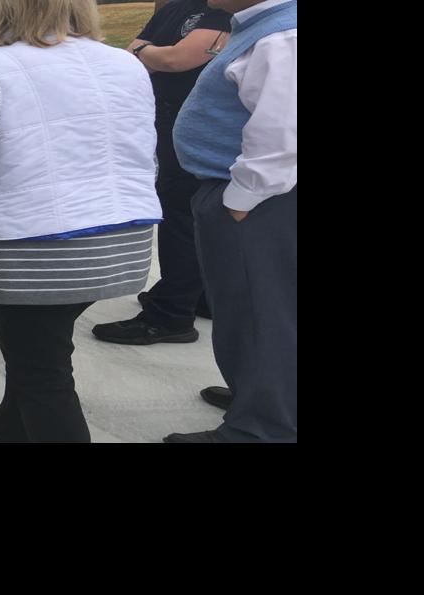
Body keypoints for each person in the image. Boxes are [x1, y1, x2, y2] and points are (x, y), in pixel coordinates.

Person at [0, 0, 158, 443]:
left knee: (42, 374)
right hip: (125, 237)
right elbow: (142, 147)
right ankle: (6, 429)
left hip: (39, 250)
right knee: (39, 353)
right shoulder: (125, 62)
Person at [164, 0, 296, 443]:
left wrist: (238, 203)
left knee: (257, 315)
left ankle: (260, 427)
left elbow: (282, 138)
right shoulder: (267, 27)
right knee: (265, 311)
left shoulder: (281, 35)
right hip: (256, 198)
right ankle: (265, 398)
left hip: (256, 201)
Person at [90, 0, 230, 345]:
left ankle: (170, 316)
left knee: (183, 216)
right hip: (170, 120)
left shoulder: (225, 8)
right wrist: (152, 53)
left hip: (204, 129)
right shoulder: (176, 7)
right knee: (183, 211)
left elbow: (176, 59)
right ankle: (194, 294)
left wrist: (150, 52)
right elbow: (131, 56)